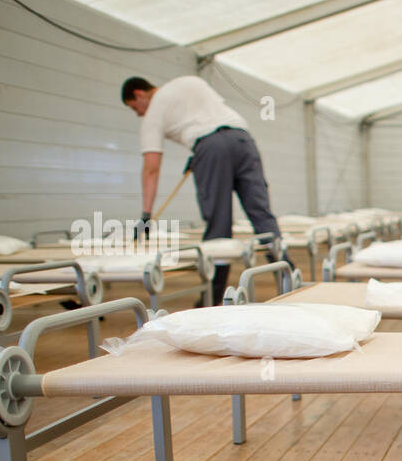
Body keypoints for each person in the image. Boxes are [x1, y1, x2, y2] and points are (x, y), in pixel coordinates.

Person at [121, 75, 288, 305]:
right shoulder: (189, 81)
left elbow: (151, 169)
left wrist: (146, 216)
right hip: (243, 140)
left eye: (134, 108)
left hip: (210, 147)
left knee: (218, 224)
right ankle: (290, 281)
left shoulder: (152, 114)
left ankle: (212, 297)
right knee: (262, 215)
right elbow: (212, 117)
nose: (138, 113)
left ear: (139, 94)